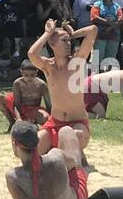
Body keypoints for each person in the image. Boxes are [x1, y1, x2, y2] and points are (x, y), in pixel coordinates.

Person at [26, 19, 99, 155]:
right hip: (54, 122)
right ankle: (65, 151)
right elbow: (31, 54)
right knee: (33, 152)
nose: (69, 44)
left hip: (77, 124)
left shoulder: (76, 63)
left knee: (71, 138)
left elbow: (93, 30)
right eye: (64, 41)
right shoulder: (48, 66)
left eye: (69, 41)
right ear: (52, 44)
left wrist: (72, 34)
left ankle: (73, 154)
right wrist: (48, 33)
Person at [4, 119, 87, 199]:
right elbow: (73, 164)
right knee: (66, 131)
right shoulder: (56, 157)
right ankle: (83, 159)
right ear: (37, 141)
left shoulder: (13, 177)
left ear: (14, 144)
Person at [0, 60, 48, 131]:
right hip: (20, 108)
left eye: (32, 75)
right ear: (21, 72)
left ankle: (30, 123)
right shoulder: (17, 83)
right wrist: (19, 119)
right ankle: (12, 122)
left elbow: (49, 104)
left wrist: (52, 120)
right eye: (26, 75)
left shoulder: (41, 85)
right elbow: (16, 104)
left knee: (45, 118)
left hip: (34, 109)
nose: (29, 78)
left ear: (36, 72)